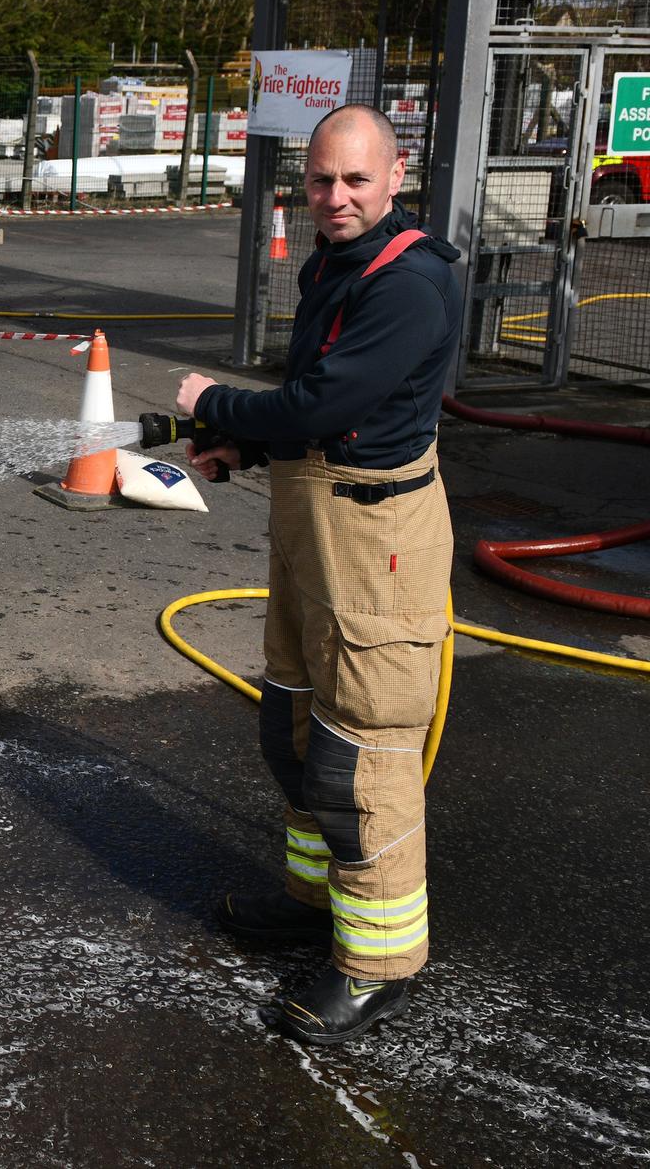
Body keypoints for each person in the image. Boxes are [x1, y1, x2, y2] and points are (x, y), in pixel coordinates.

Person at [176, 103, 461, 1046]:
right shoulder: (335, 262)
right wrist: (238, 449)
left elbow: (331, 397)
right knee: (290, 730)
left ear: (396, 175)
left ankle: (378, 961)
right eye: (321, 181)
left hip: (376, 544)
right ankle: (317, 901)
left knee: (360, 756)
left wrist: (212, 400)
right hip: (314, 524)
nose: (336, 198)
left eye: (355, 180)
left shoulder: (410, 283)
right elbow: (328, 415)